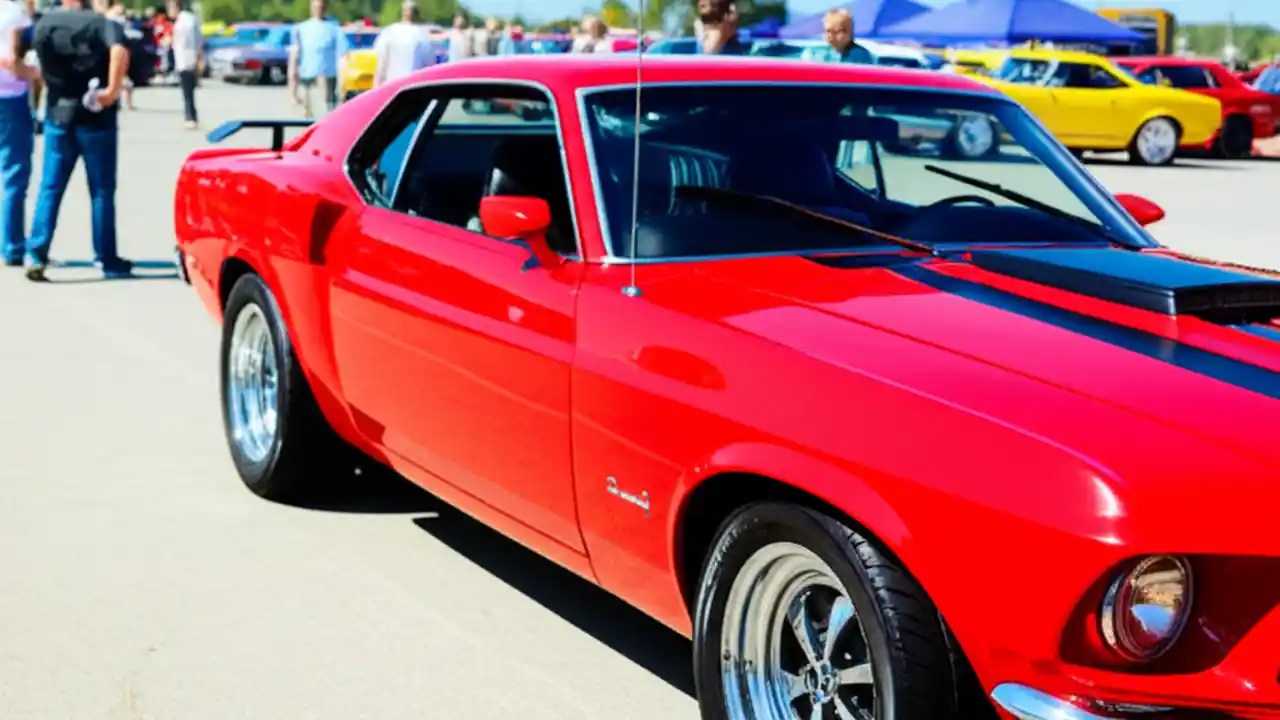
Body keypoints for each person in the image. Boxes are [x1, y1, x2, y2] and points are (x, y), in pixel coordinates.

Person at [24, 0, 133, 281]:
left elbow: (23, 54)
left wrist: (44, 83)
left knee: (50, 186)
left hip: (59, 114)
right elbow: (120, 51)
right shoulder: (102, 24)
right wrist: (111, 90)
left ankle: (36, 252)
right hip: (96, 117)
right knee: (101, 191)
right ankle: (106, 258)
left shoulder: (44, 25)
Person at [0, 0, 33, 267]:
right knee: (13, 173)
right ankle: (12, 245)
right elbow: (12, 60)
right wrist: (34, 74)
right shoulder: (15, 14)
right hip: (9, 96)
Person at [288, 0, 346, 119]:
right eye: (316, 6)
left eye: (321, 7)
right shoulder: (301, 28)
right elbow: (295, 55)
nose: (318, 9)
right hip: (307, 76)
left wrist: (342, 84)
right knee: (308, 114)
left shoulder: (334, 29)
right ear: (311, 8)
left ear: (325, 8)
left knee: (327, 112)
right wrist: (292, 90)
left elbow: (342, 57)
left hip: (327, 77)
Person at [372, 0, 434, 88]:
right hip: (412, 88)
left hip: (391, 86)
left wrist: (376, 88)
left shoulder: (389, 32)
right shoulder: (422, 35)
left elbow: (381, 66)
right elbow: (429, 67)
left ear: (402, 12)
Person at [166, 0, 200, 127]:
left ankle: (190, 117)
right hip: (185, 58)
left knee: (187, 90)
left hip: (187, 59)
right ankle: (191, 116)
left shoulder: (185, 21)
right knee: (187, 90)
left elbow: (189, 40)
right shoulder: (182, 20)